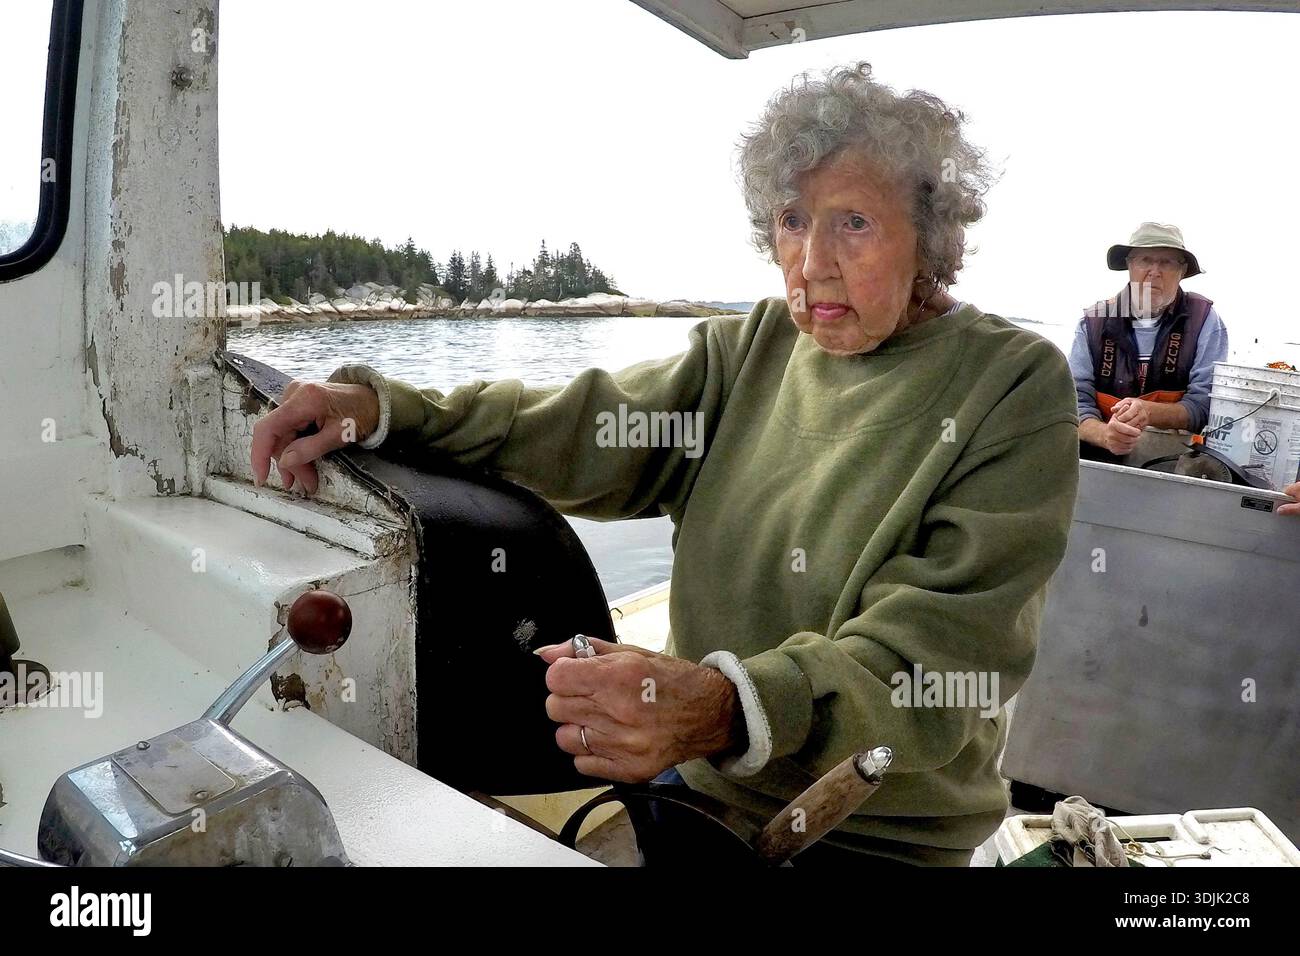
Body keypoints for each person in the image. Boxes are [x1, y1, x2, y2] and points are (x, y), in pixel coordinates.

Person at [250, 63, 1080, 866]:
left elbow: (944, 652)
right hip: (700, 787)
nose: (814, 262)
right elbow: (577, 426)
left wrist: (724, 705)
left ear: (930, 237)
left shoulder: (1012, 383)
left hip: (880, 831)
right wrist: (386, 409)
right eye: (793, 221)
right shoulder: (751, 348)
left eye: (854, 222)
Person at [1070, 222, 1228, 459]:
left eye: (1167, 262)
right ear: (1129, 265)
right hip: (1100, 458)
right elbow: (1072, 402)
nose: (1155, 271)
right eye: (1145, 259)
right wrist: (1106, 435)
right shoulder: (1093, 323)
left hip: (1175, 463)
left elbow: (1206, 407)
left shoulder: (1205, 321)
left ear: (1182, 271)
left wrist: (1148, 412)